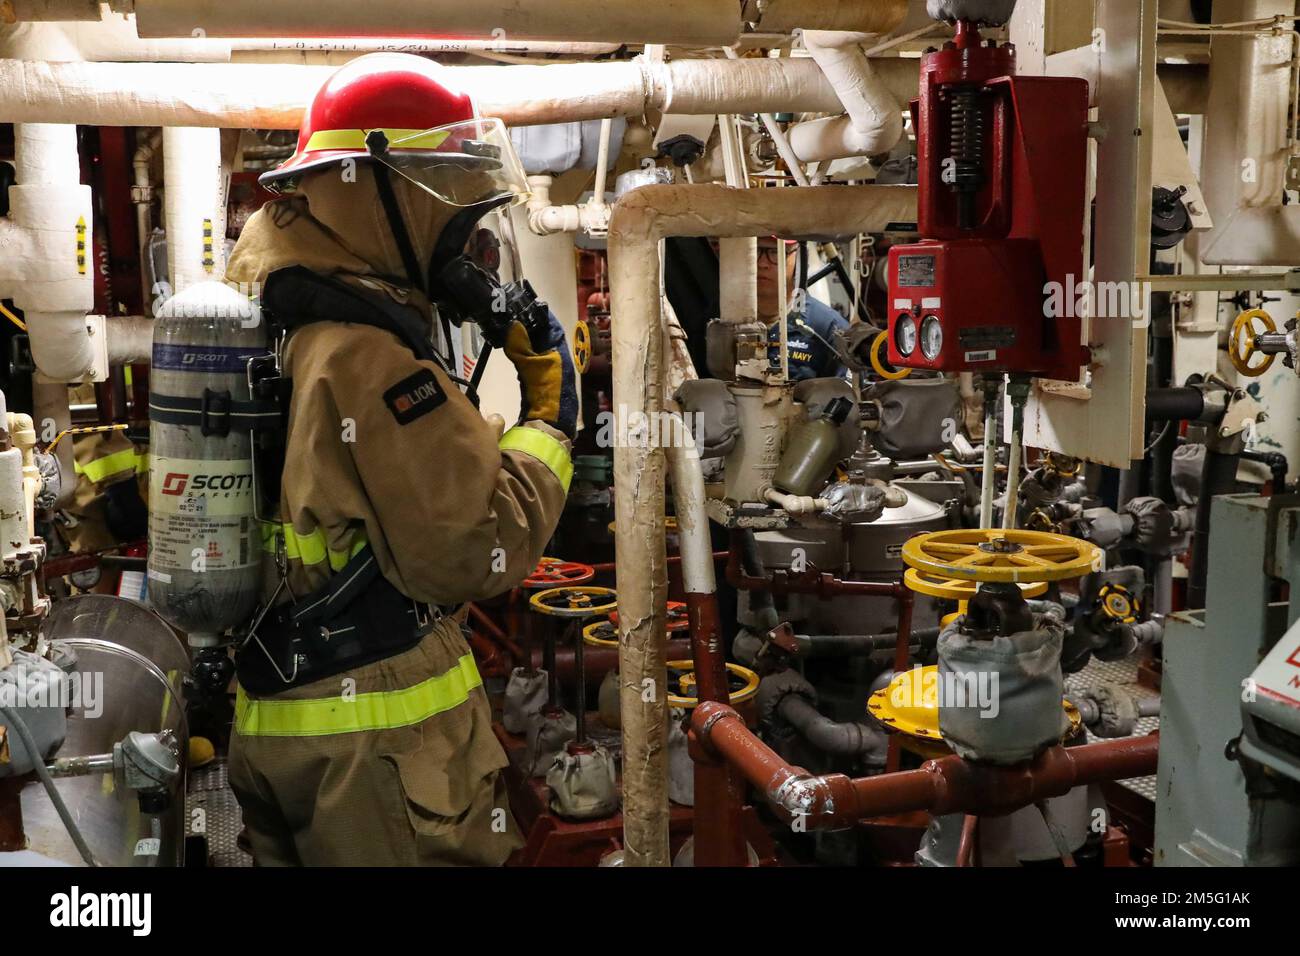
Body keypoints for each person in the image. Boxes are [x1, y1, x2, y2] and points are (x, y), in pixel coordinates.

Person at [222, 53, 576, 866]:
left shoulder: (277, 311)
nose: (462, 217)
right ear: (373, 190)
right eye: (444, 182)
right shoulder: (371, 359)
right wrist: (552, 419)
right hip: (378, 745)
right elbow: (464, 552)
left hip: (282, 719)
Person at [757, 237, 850, 381]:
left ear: (799, 260)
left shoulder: (829, 330)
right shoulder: (722, 320)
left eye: (775, 252)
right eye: (755, 251)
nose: (762, 263)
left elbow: (847, 396)